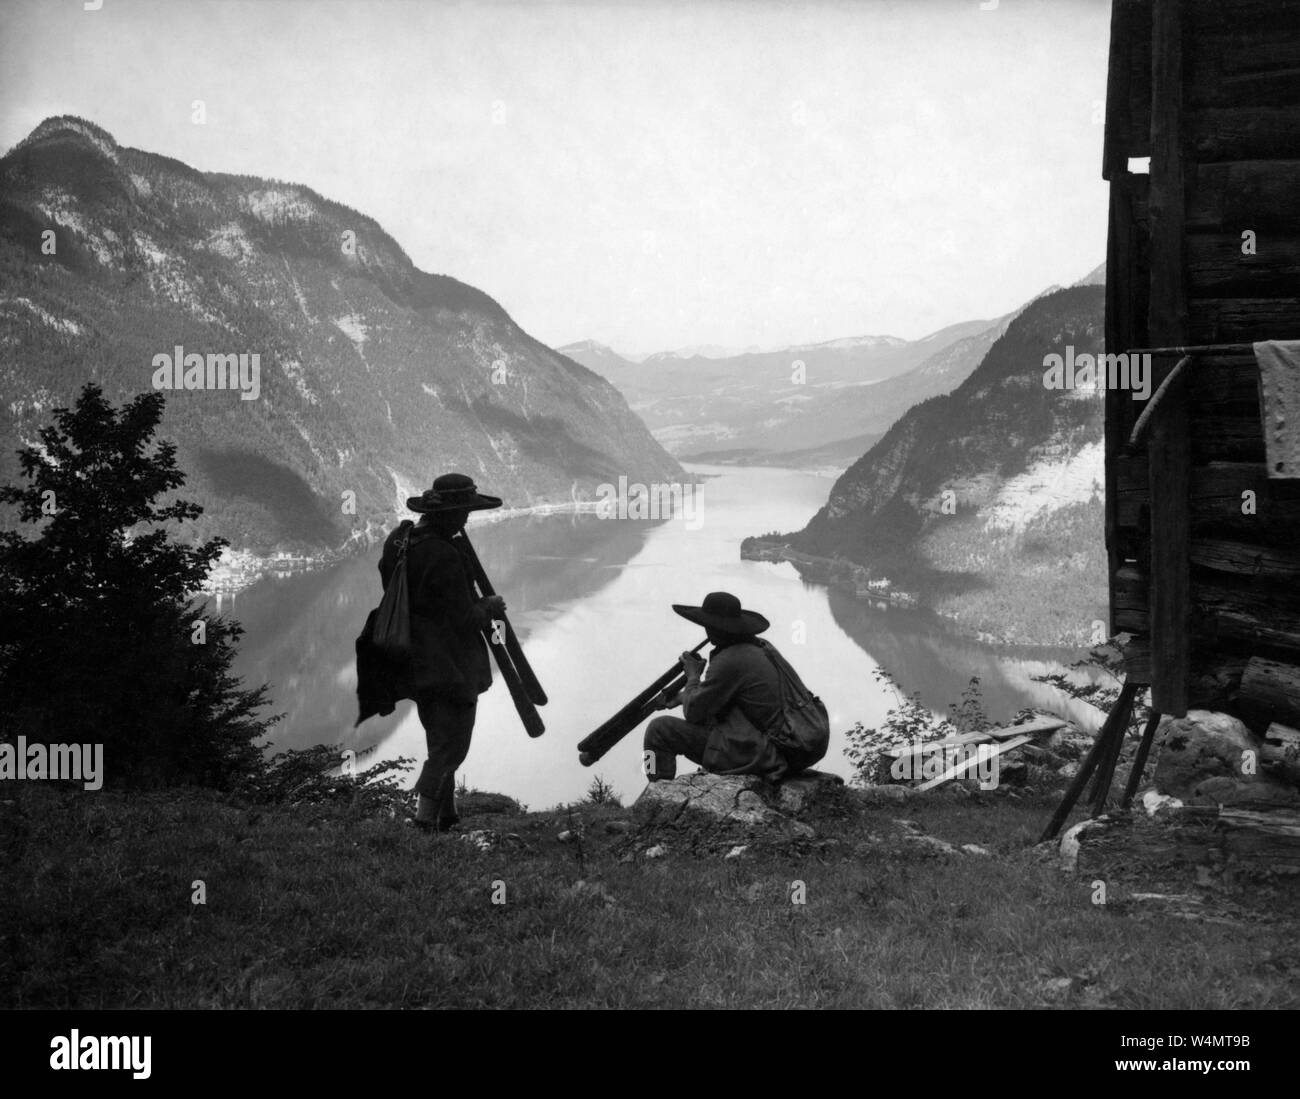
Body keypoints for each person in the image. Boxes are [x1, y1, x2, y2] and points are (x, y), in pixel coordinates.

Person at [377, 473, 505, 832]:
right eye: (463, 512)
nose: (466, 519)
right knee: (451, 747)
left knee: (439, 738)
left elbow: (395, 588)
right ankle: (423, 823)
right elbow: (463, 620)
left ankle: (447, 817)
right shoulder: (445, 555)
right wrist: (489, 606)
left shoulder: (400, 541)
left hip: (414, 661)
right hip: (450, 667)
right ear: (450, 513)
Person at [643, 591, 823, 782]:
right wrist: (680, 697)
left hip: (771, 751)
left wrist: (693, 676)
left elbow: (694, 712)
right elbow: (719, 698)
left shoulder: (730, 660)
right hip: (795, 746)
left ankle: (655, 784)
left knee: (657, 731)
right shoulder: (760, 647)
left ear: (713, 627)